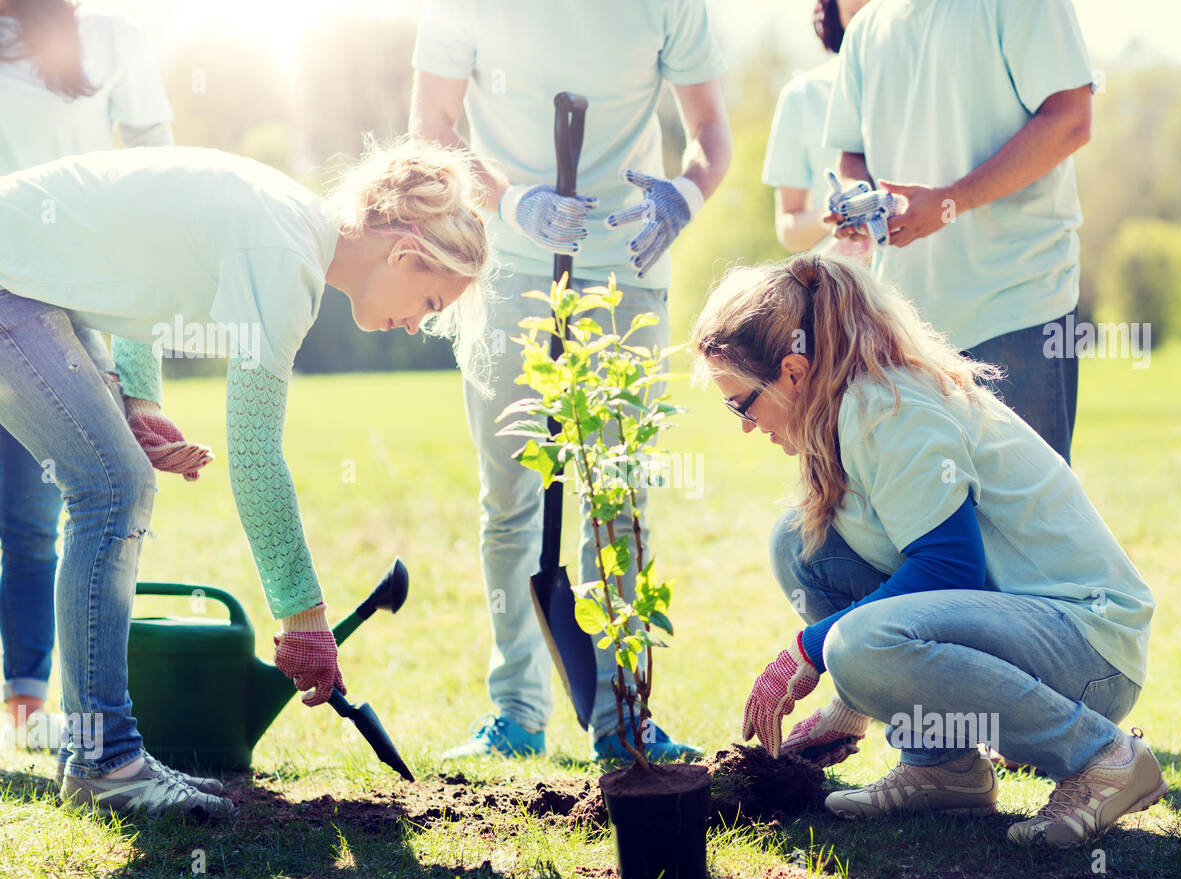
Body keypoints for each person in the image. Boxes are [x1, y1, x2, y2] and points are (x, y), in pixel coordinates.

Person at [0, 138, 488, 817]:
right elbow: (256, 455)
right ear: (405, 254)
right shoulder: (285, 259)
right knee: (112, 488)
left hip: (27, 283)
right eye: (430, 301)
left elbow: (145, 266)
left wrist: (139, 405)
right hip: (12, 280)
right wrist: (305, 621)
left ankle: (102, 756)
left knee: (114, 481)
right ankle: (104, 761)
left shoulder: (289, 226)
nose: (415, 324)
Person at [691, 252, 1164, 848]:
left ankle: (1105, 758)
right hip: (1024, 629)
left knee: (852, 643)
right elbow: (916, 574)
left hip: (1089, 652)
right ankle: (943, 766)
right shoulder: (850, 407)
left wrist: (812, 652)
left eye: (741, 403)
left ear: (791, 371)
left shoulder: (887, 410)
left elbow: (948, 568)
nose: (743, 424)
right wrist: (853, 701)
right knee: (801, 546)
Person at [409, 0, 732, 761]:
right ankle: (516, 711)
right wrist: (512, 201)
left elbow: (710, 130)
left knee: (618, 494)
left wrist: (684, 195)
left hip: (628, 269)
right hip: (509, 268)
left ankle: (623, 714)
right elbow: (430, 124)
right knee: (511, 499)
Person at [0, 0, 174, 750]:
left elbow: (157, 191)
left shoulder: (113, 38)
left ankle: (30, 712)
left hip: (62, 300)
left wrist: (140, 381)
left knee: (42, 515)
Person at [822, 0, 1094, 463]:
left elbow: (1070, 119)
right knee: (927, 527)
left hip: (1018, 309)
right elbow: (852, 154)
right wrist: (856, 199)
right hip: (904, 330)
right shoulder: (868, 26)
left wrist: (952, 200)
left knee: (1025, 527)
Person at [761, 0, 871, 256]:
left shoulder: (932, 84)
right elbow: (789, 230)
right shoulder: (801, 96)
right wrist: (837, 211)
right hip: (845, 289)